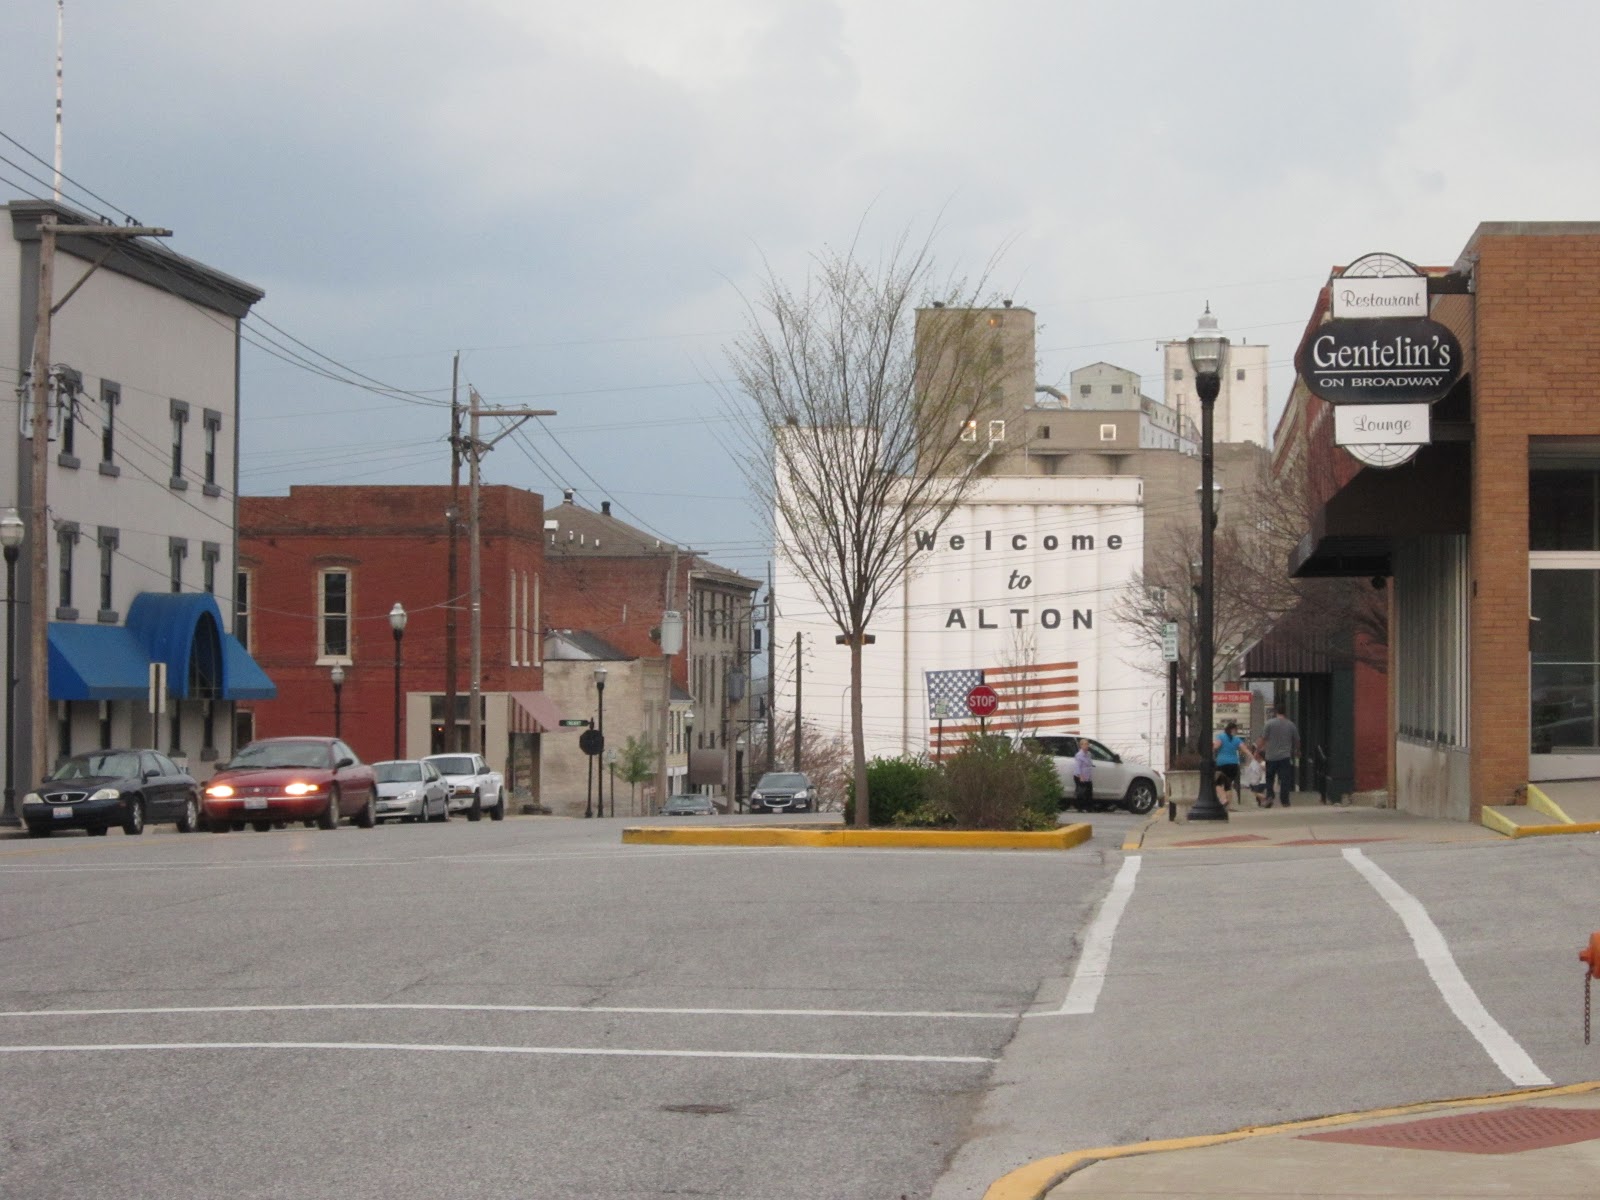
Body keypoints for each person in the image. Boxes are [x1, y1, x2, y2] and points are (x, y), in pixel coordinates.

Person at [1262, 705, 1300, 808]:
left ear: (1276, 712)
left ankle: (1270, 796)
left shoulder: (1269, 724)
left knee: (1269, 778)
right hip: (1284, 756)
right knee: (1285, 779)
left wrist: (1258, 751)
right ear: (1285, 713)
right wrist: (1297, 751)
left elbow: (1264, 738)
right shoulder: (1291, 725)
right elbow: (1297, 740)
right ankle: (1285, 800)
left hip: (1270, 756)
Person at [1213, 720, 1244, 808]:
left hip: (1222, 764)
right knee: (1228, 785)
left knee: (1217, 783)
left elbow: (1216, 747)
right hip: (1234, 764)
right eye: (1236, 730)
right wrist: (1252, 757)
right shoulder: (1237, 739)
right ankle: (1228, 806)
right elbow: (1244, 749)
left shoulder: (1221, 737)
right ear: (1233, 730)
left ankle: (1223, 799)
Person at [1241, 742, 1268, 807]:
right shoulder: (1255, 761)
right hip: (1256, 781)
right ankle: (1262, 803)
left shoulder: (1262, 763)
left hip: (1260, 781)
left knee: (1255, 793)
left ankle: (1265, 798)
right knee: (1256, 793)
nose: (1255, 755)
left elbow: (1264, 769)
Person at [1073, 738, 1095, 809]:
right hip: (1080, 776)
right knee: (1081, 793)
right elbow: (1077, 767)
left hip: (1088, 777)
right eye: (1084, 744)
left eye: (1087, 744)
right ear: (1081, 746)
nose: (1086, 746)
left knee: (1089, 792)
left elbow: (1089, 764)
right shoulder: (1079, 755)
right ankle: (1080, 808)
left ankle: (1088, 808)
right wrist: (1081, 776)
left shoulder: (1089, 754)